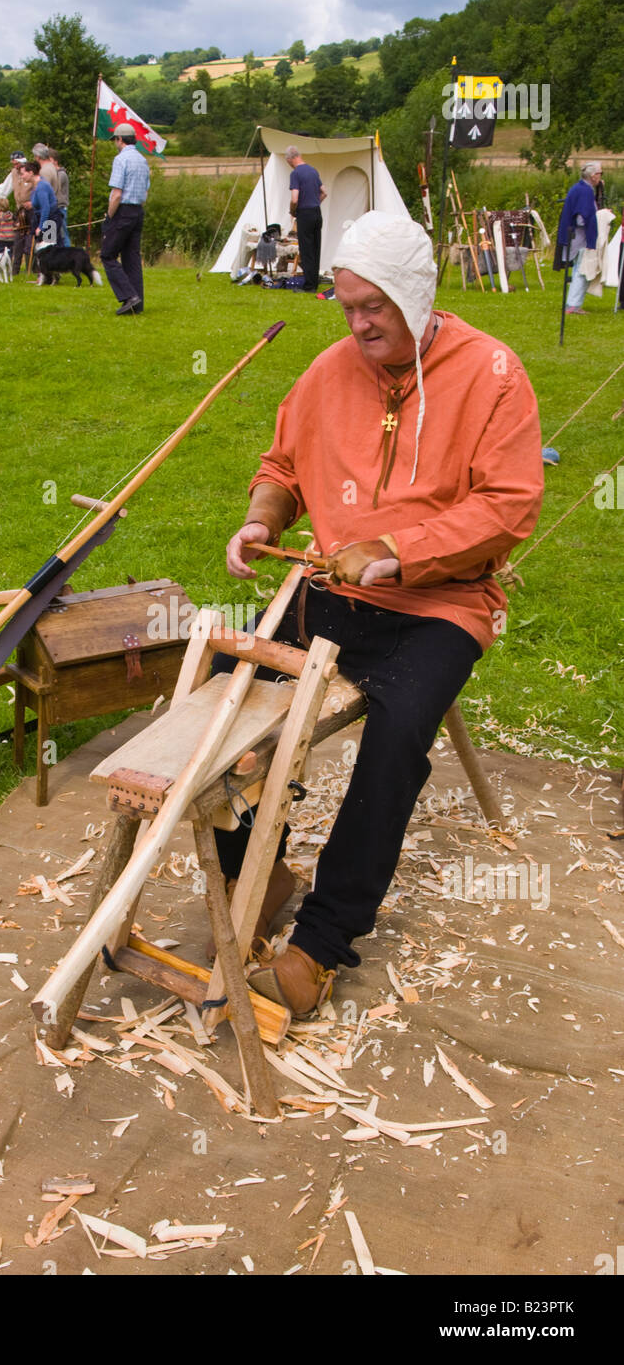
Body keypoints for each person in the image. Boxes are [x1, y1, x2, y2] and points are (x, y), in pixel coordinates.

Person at [219, 211, 544, 1018]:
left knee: (396, 736)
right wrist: (266, 516)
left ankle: (321, 946)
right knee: (227, 691)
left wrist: (399, 549)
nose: (360, 323)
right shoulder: (330, 371)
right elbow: (285, 464)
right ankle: (250, 874)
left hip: (440, 603)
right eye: (347, 306)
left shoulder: (494, 374)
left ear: (416, 295)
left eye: (376, 307)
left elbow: (508, 507)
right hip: (332, 590)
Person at [102, 122, 150, 315]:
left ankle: (129, 296)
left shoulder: (121, 159)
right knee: (132, 258)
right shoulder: (142, 160)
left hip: (122, 212)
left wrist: (109, 216)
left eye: (115, 139)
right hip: (138, 211)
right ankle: (137, 303)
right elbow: (145, 191)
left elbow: (116, 194)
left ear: (120, 139)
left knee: (107, 254)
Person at [554, 161, 602, 315]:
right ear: (593, 175)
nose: (601, 176)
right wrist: (591, 238)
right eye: (600, 173)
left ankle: (573, 303)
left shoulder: (580, 188)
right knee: (581, 269)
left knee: (579, 268)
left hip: (574, 234)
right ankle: (573, 304)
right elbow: (584, 217)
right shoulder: (585, 191)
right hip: (579, 236)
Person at [286, 145, 327, 293]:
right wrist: (315, 203)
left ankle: (309, 286)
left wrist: (293, 211)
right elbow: (324, 192)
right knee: (316, 248)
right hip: (317, 212)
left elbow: (295, 198)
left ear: (290, 159)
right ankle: (314, 282)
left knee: (306, 249)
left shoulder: (296, 174)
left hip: (305, 214)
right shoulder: (313, 170)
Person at [0, 151, 33, 276]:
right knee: (18, 240)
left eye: (16, 163)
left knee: (30, 240)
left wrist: (33, 202)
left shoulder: (31, 171)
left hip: (32, 210)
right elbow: (4, 189)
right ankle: (15, 270)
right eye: (13, 163)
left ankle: (32, 269)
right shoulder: (13, 173)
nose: (14, 165)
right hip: (20, 210)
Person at [48, 148, 71, 245]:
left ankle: (68, 255)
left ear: (55, 161)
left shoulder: (61, 174)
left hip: (59, 209)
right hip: (50, 209)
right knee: (49, 237)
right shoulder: (50, 174)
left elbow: (52, 188)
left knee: (62, 235)